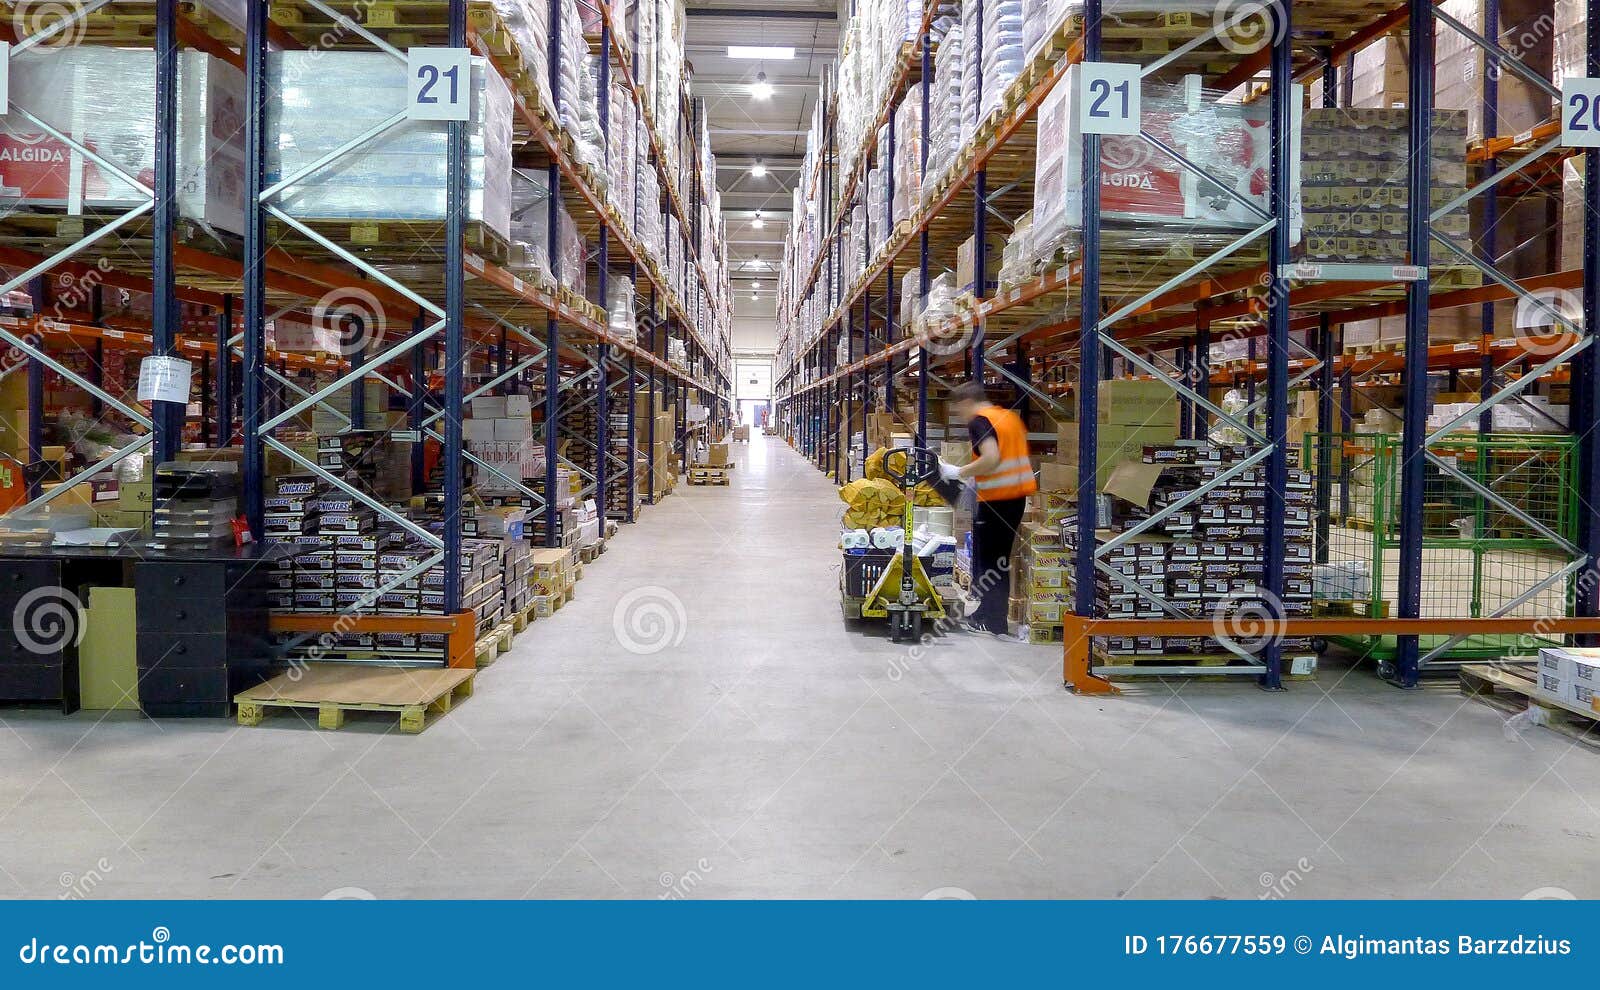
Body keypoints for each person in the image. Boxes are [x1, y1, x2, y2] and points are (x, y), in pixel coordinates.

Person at [938, 382, 1037, 641]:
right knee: (997, 559)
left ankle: (993, 622)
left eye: (958, 409)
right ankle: (988, 613)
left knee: (991, 562)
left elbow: (991, 458)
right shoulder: (1008, 418)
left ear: (966, 402)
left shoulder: (980, 421)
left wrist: (958, 472)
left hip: (997, 500)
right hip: (1016, 498)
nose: (960, 415)